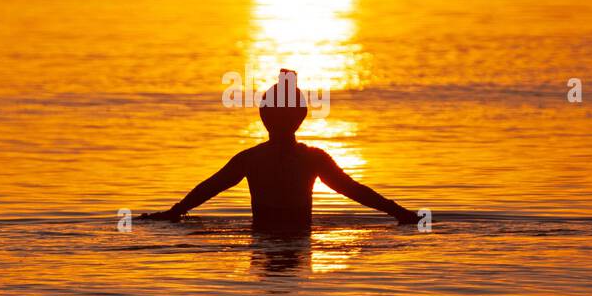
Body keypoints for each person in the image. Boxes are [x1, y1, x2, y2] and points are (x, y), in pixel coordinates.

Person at [143, 69, 421, 232]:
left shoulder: (250, 159)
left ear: (263, 116)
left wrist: (172, 213)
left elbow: (207, 189)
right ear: (302, 116)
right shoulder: (313, 159)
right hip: (299, 240)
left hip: (261, 240)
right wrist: (401, 213)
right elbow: (354, 190)